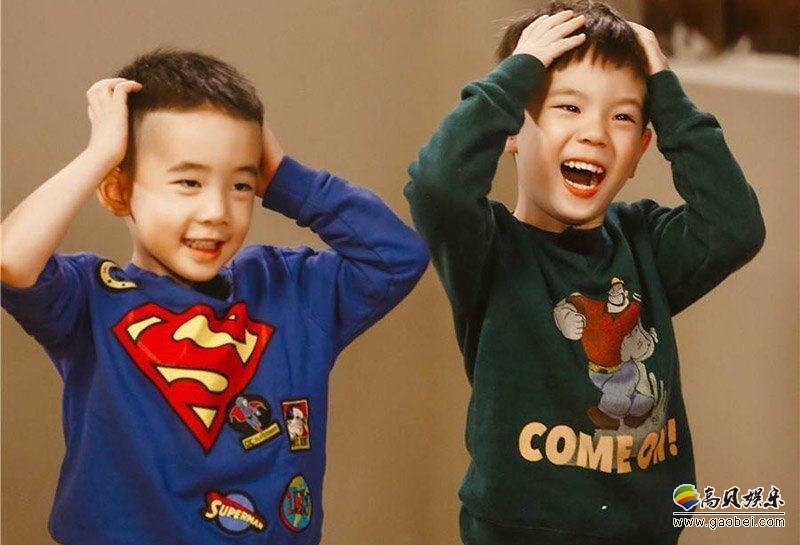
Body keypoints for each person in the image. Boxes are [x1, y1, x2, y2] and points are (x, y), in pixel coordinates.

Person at [0, 49, 428, 545]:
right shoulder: (89, 300)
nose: (217, 211)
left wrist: (284, 176)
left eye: (241, 184)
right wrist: (101, 154)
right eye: (189, 182)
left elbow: (397, 256)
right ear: (117, 192)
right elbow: (11, 257)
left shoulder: (289, 291)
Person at [404, 1, 765, 543]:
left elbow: (736, 226)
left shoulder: (645, 244)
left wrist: (666, 94)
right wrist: (515, 76)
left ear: (642, 147)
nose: (595, 132)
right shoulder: (490, 250)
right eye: (568, 107)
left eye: (622, 117)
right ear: (510, 129)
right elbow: (438, 185)